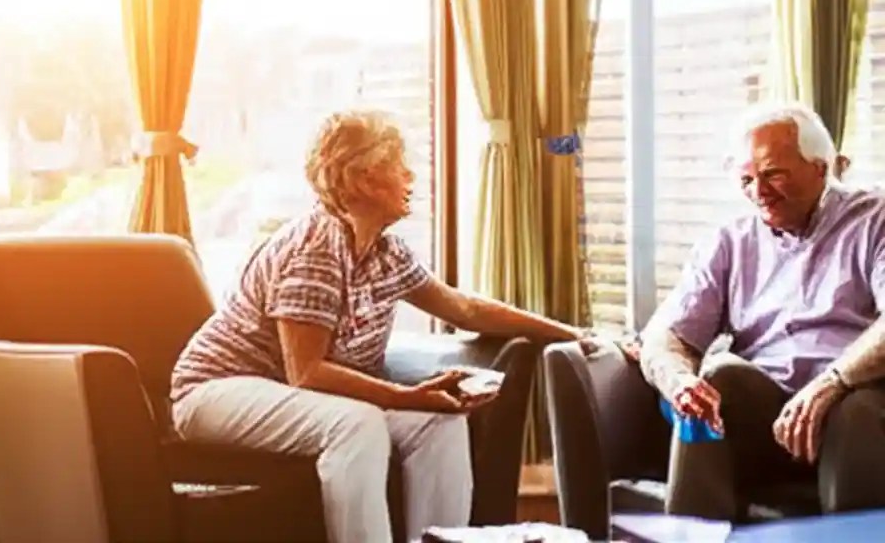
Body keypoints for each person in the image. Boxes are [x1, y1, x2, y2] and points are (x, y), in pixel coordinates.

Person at [170, 110, 590, 543]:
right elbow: (307, 372)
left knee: (438, 422)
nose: (410, 177)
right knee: (358, 424)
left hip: (290, 393)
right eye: (400, 166)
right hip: (217, 390)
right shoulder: (316, 250)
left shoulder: (387, 252)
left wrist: (572, 333)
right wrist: (404, 396)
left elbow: (463, 308)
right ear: (366, 180)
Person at [639, 101, 885, 520]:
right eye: (747, 180)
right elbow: (665, 335)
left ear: (820, 167)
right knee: (715, 382)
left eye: (773, 174)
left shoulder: (874, 218)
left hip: (856, 396)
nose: (759, 191)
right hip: (769, 410)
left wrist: (832, 382)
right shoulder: (730, 241)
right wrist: (679, 380)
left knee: (855, 410)